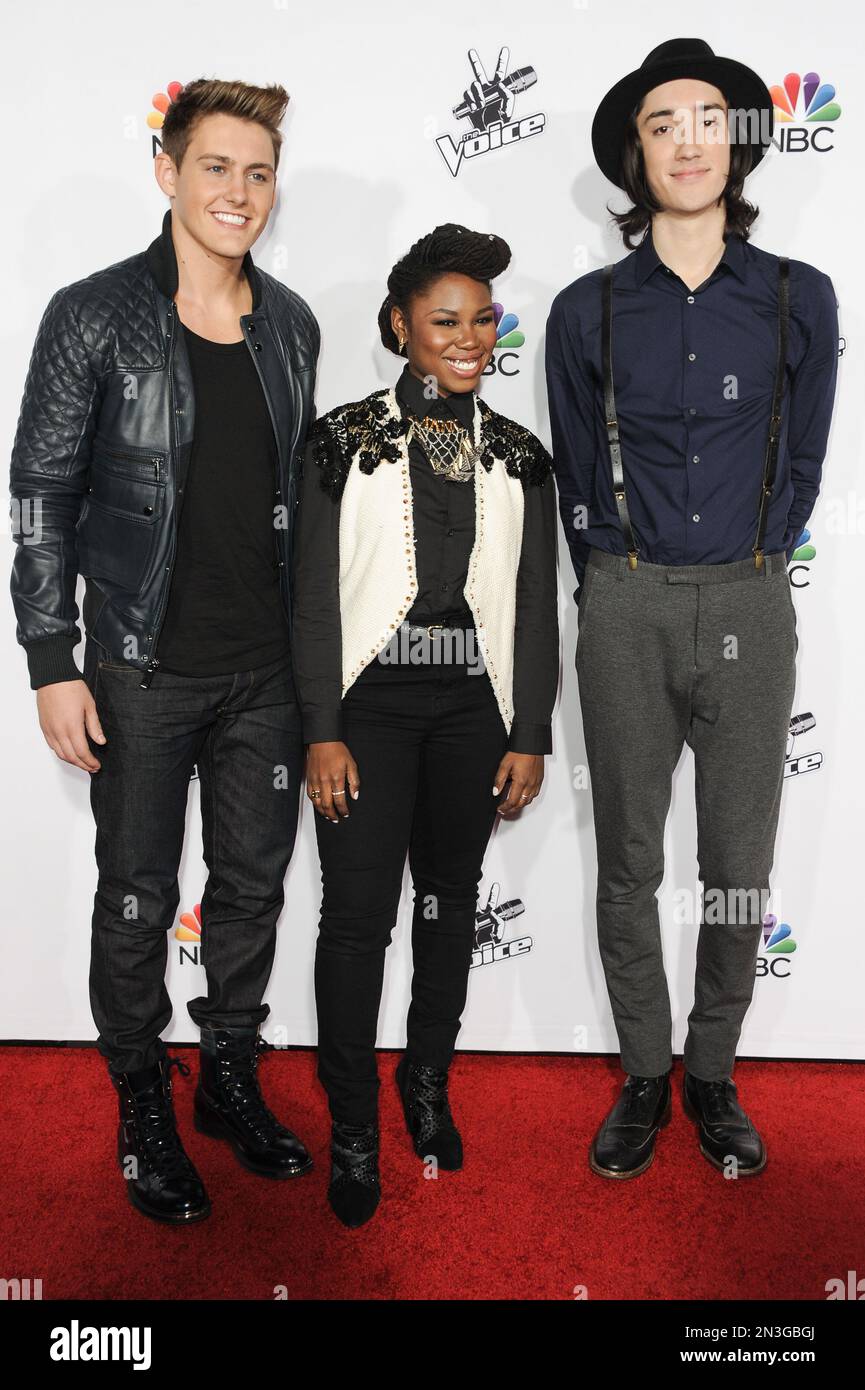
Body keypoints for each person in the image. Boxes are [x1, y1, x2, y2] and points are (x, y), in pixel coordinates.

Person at [8, 79, 321, 1223]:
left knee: (249, 888)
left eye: (257, 171)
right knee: (137, 894)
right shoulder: (90, 315)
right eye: (215, 167)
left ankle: (227, 1074)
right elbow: (40, 493)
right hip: (137, 667)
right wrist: (51, 655)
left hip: (267, 675)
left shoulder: (290, 324)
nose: (239, 193)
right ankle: (143, 1096)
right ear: (167, 171)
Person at [545, 39, 839, 1180]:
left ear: (738, 141)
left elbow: (805, 456)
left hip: (752, 601)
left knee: (735, 860)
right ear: (636, 151)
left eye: (707, 117)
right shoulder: (583, 310)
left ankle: (710, 1072)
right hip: (622, 604)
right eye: (662, 122)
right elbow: (576, 473)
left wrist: (762, 554)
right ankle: (640, 1072)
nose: (686, 139)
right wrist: (609, 575)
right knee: (624, 857)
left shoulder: (794, 296)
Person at [291, 224, 559, 1227]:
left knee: (450, 900)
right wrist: (320, 728)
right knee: (356, 917)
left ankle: (427, 1081)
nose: (466, 337)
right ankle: (352, 1120)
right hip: (366, 710)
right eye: (444, 319)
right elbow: (312, 598)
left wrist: (528, 729)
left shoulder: (523, 457)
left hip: (470, 715)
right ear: (401, 325)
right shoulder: (338, 438)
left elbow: (537, 604)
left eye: (482, 319)